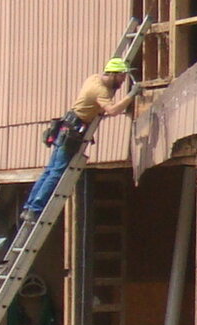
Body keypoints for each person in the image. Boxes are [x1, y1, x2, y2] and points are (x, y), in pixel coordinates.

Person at [21, 56, 137, 217]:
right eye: (122, 77)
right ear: (113, 74)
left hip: (66, 126)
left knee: (49, 170)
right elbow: (113, 110)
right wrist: (131, 95)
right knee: (57, 172)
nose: (123, 81)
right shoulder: (100, 91)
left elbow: (106, 97)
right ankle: (36, 209)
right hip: (73, 131)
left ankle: (29, 207)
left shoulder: (94, 78)